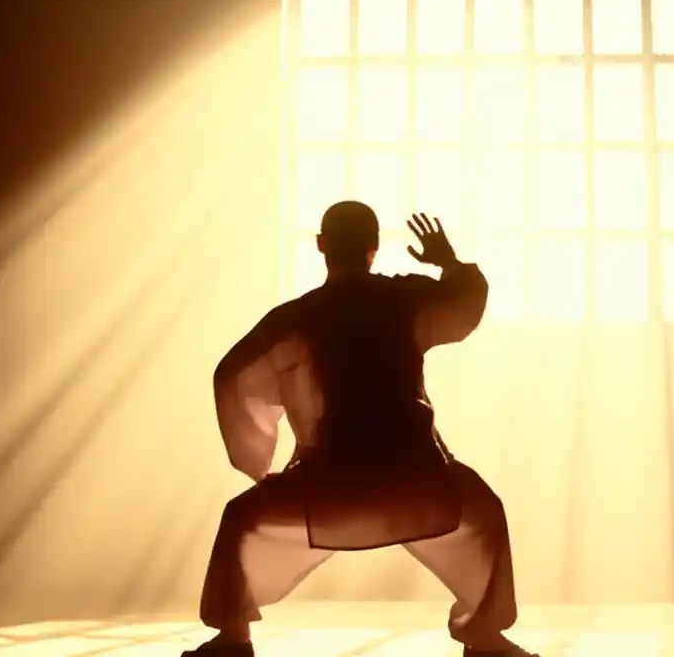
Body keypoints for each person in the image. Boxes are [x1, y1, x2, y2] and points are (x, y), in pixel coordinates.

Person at [183, 202, 535, 657]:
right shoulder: (403, 300)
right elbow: (464, 306)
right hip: (416, 480)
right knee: (485, 512)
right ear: (374, 248)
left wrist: (264, 445)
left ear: (321, 246)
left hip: (327, 486)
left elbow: (231, 375)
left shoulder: (297, 317)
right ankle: (485, 636)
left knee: (240, 518)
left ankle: (232, 639)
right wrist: (447, 262)